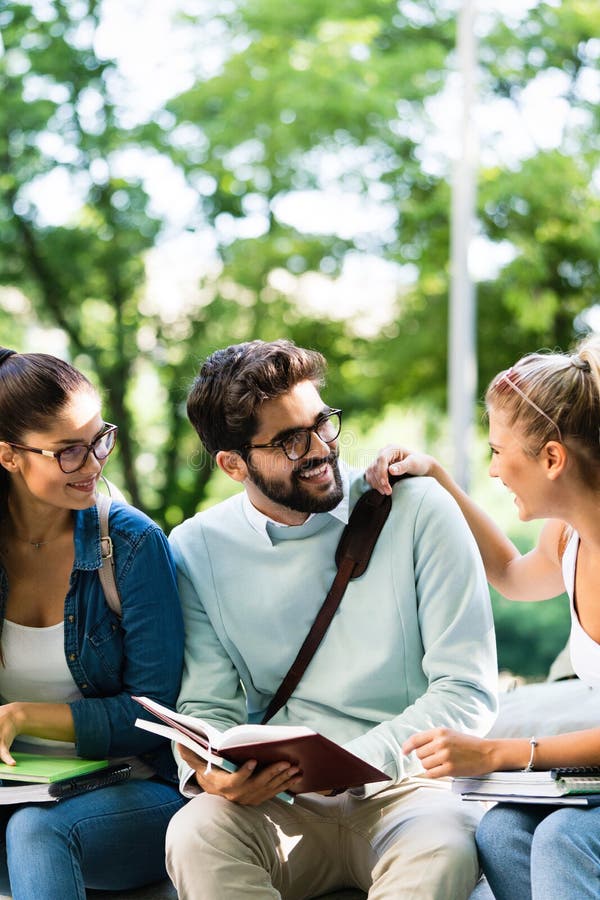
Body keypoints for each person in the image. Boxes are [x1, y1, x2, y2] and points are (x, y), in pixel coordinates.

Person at [164, 338, 497, 900]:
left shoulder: (418, 509)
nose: (321, 449)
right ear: (232, 463)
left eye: (323, 424)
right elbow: (206, 707)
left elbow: (466, 689)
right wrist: (206, 770)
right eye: (291, 441)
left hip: (412, 793)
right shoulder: (195, 548)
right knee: (195, 832)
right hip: (284, 803)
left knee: (443, 849)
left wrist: (358, 761)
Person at [365, 333, 600, 900]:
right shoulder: (568, 537)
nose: (493, 470)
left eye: (497, 452)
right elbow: (512, 574)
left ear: (552, 459)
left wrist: (501, 752)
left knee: (563, 838)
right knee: (502, 831)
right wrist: (438, 479)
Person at [0, 347, 186, 900]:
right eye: (69, 451)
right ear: (8, 455)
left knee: (35, 832)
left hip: (134, 788)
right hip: (14, 788)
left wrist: (23, 716)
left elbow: (154, 715)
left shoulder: (131, 544)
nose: (93, 465)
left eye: (99, 440)